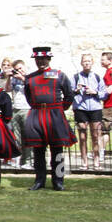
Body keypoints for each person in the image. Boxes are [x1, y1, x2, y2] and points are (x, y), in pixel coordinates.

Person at [22, 46, 75, 191]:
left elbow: (69, 95)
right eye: (38, 59)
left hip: (54, 116)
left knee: (57, 151)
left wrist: (59, 108)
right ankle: (39, 180)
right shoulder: (30, 78)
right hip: (37, 115)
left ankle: (58, 181)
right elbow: (29, 97)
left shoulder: (59, 75)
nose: (41, 62)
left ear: (49, 59)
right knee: (38, 151)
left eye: (43, 59)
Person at [71, 54, 107, 171]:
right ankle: (84, 162)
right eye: (84, 61)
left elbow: (104, 94)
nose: (86, 63)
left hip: (95, 108)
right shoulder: (76, 77)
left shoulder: (97, 77)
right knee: (82, 136)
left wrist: (94, 92)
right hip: (81, 108)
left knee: (95, 135)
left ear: (92, 63)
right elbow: (70, 93)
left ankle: (96, 161)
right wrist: (77, 90)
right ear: (81, 63)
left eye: (89, 61)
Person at [102, 50, 112, 164]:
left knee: (105, 130)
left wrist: (99, 92)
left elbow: (110, 89)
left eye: (103, 59)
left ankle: (101, 152)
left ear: (110, 60)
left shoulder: (109, 72)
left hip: (110, 105)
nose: (101, 61)